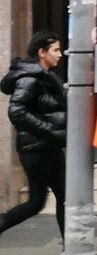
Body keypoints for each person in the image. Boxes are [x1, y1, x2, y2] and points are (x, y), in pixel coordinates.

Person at [0, 30, 66, 240]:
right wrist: (49, 129)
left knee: (66, 198)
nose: (60, 54)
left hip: (50, 146)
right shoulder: (29, 79)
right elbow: (17, 112)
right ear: (42, 53)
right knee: (36, 203)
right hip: (36, 150)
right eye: (55, 50)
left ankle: (72, 244)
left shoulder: (48, 77)